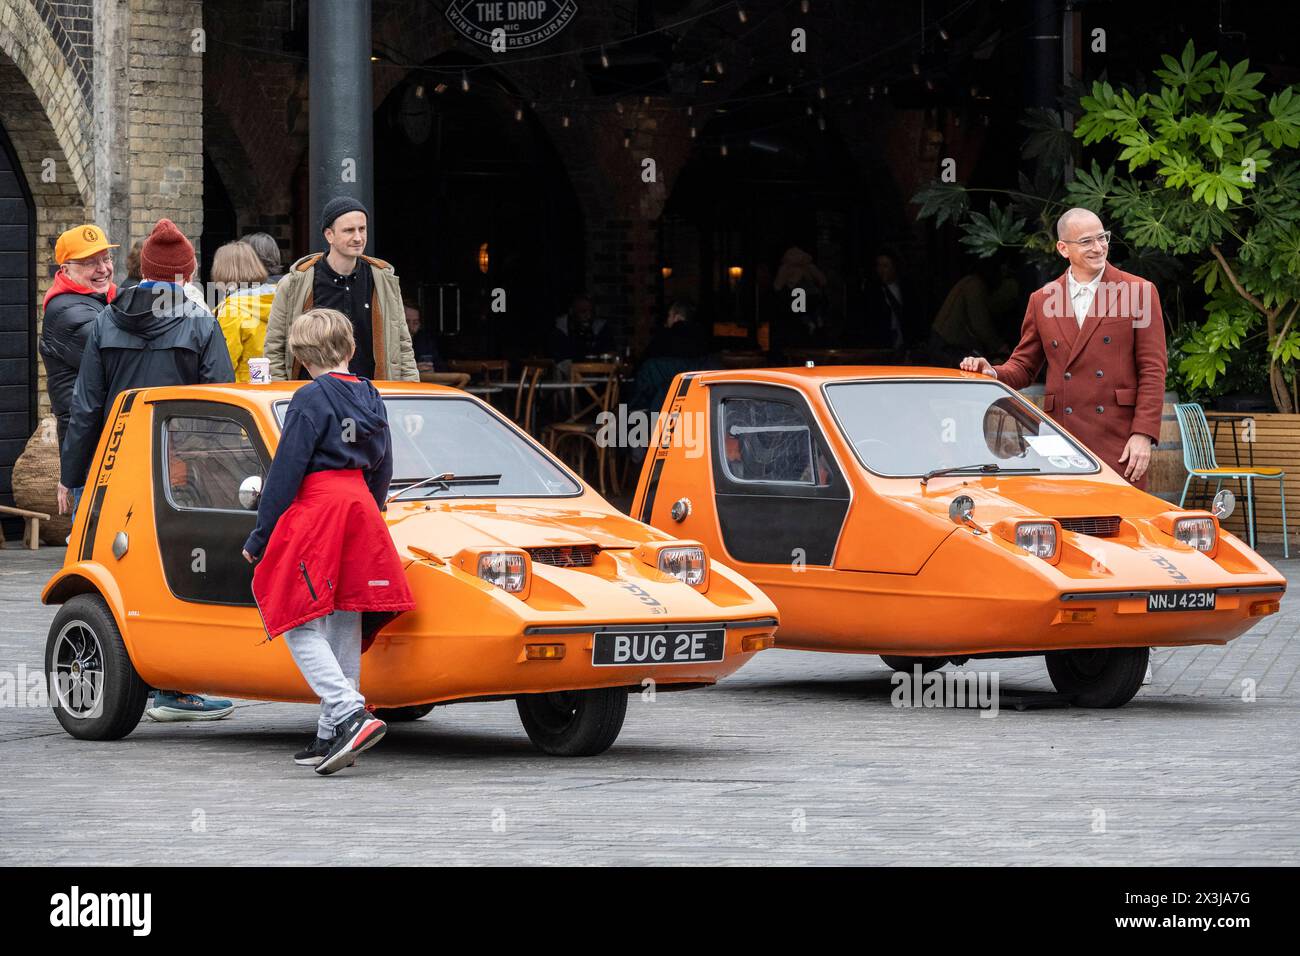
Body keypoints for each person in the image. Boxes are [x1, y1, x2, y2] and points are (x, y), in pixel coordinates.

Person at [59, 217, 237, 723]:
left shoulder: (105, 322)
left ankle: (116, 679)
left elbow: (86, 408)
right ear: (184, 276)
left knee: (117, 574)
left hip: (115, 467)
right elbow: (219, 405)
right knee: (178, 574)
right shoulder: (199, 323)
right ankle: (174, 689)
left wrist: (72, 477)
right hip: (180, 472)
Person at [241, 308, 415, 775]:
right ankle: (330, 734)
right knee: (345, 617)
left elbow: (285, 470)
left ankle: (349, 712)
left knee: (294, 616)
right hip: (361, 505)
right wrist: (372, 508)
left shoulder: (309, 398)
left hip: (319, 506)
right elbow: (383, 461)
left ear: (299, 356)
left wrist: (260, 535)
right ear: (351, 348)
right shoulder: (371, 394)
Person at [961, 207, 1167, 489]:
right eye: (1086, 242)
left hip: (1118, 439)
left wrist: (1143, 434)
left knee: (1119, 527)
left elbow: (1153, 369)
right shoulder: (1042, 299)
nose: (1098, 248)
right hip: (1062, 440)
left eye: (1102, 238)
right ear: (1063, 248)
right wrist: (992, 372)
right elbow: (1024, 367)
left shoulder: (1139, 291)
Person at [262, 197, 417, 382]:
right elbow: (275, 347)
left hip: (373, 395)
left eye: (362, 229)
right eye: (349, 230)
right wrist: (284, 392)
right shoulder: (296, 283)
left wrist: (409, 395)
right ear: (329, 235)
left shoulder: (384, 281)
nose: (358, 237)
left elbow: (403, 346)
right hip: (312, 396)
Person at [38, 225, 119, 486]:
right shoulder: (65, 311)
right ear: (65, 270)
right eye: (89, 263)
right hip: (89, 451)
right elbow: (120, 354)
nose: (103, 268)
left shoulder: (104, 299)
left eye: (106, 258)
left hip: (101, 443)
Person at [929, 257, 1013, 366]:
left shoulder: (970, 283)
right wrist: (999, 346)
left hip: (947, 343)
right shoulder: (974, 285)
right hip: (947, 346)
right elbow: (980, 323)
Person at [212, 240, 276, 382]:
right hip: (275, 383)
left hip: (241, 390)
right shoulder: (278, 299)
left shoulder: (232, 310)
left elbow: (224, 361)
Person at [549, 293, 615, 363]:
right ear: (572, 312)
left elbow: (610, 353)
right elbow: (560, 362)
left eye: (591, 312)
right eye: (583, 311)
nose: (589, 316)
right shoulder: (560, 331)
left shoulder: (601, 328)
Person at [403, 298, 447, 372]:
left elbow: (441, 367)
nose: (410, 327)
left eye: (415, 323)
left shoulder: (425, 341)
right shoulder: (388, 342)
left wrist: (433, 369)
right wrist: (413, 369)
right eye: (406, 322)